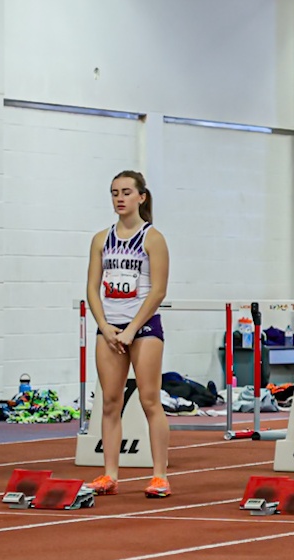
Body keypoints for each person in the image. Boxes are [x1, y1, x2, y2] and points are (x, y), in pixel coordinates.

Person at [84, 171, 172, 497]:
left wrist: (132, 329)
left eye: (125, 192)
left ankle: (160, 475)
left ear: (141, 197)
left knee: (150, 400)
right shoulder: (100, 240)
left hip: (144, 328)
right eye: (114, 193)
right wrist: (107, 327)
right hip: (109, 329)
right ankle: (109, 474)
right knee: (109, 402)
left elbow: (158, 291)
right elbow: (92, 289)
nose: (119, 198)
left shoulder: (153, 239)